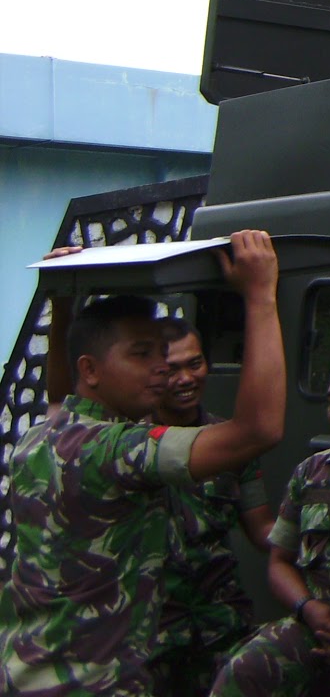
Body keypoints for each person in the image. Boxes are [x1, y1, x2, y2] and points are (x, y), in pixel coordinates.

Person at [0, 230, 285, 697]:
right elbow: (259, 431)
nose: (163, 367)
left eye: (162, 352)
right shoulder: (116, 450)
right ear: (91, 370)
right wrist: (259, 296)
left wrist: (64, 298)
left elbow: (60, 394)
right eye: (142, 354)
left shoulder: (44, 435)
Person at [212, 353, 330, 696]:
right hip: (315, 624)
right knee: (243, 673)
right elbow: (279, 562)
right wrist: (309, 609)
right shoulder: (312, 472)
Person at [149, 317, 277, 696]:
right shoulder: (128, 444)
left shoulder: (231, 444)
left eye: (195, 364)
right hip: (151, 629)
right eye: (171, 370)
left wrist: (317, 546)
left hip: (220, 624)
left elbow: (262, 530)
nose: (186, 379)